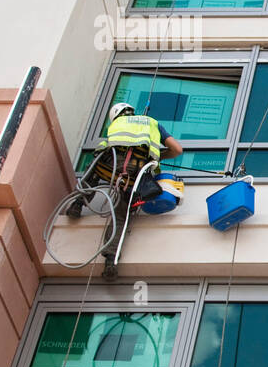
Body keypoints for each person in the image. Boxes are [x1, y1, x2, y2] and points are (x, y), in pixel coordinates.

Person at [69, 102, 183, 279]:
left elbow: (107, 148)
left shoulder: (116, 124)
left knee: (93, 167)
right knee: (122, 214)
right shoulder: (152, 123)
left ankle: (77, 204)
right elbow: (177, 150)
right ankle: (111, 262)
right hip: (135, 175)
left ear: (116, 115)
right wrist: (158, 155)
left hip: (112, 167)